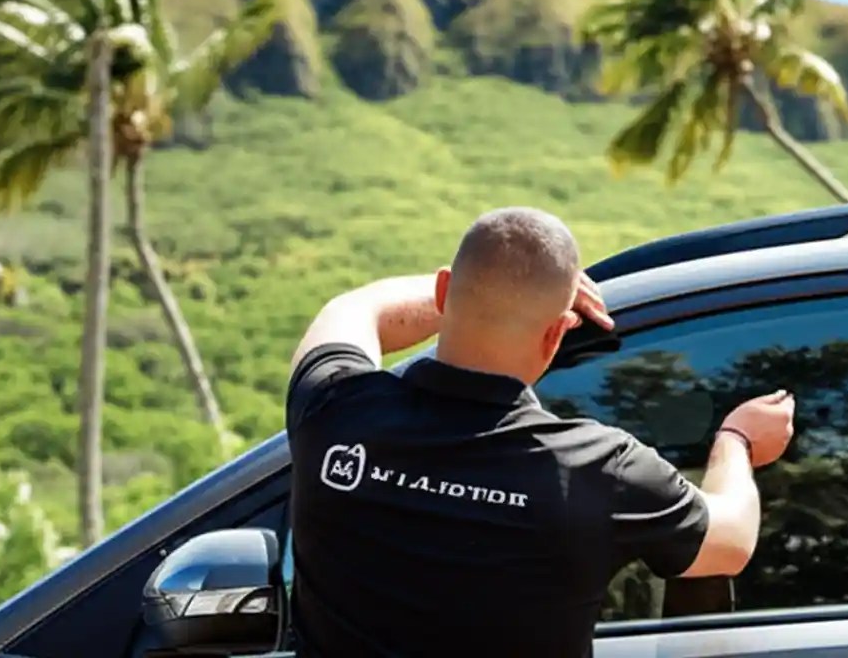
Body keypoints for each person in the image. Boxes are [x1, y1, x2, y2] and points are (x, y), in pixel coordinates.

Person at [285, 207, 796, 657]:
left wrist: (483, 281)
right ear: (557, 333)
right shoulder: (599, 468)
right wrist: (737, 441)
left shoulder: (335, 410)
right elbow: (729, 541)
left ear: (444, 292)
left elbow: (353, 309)